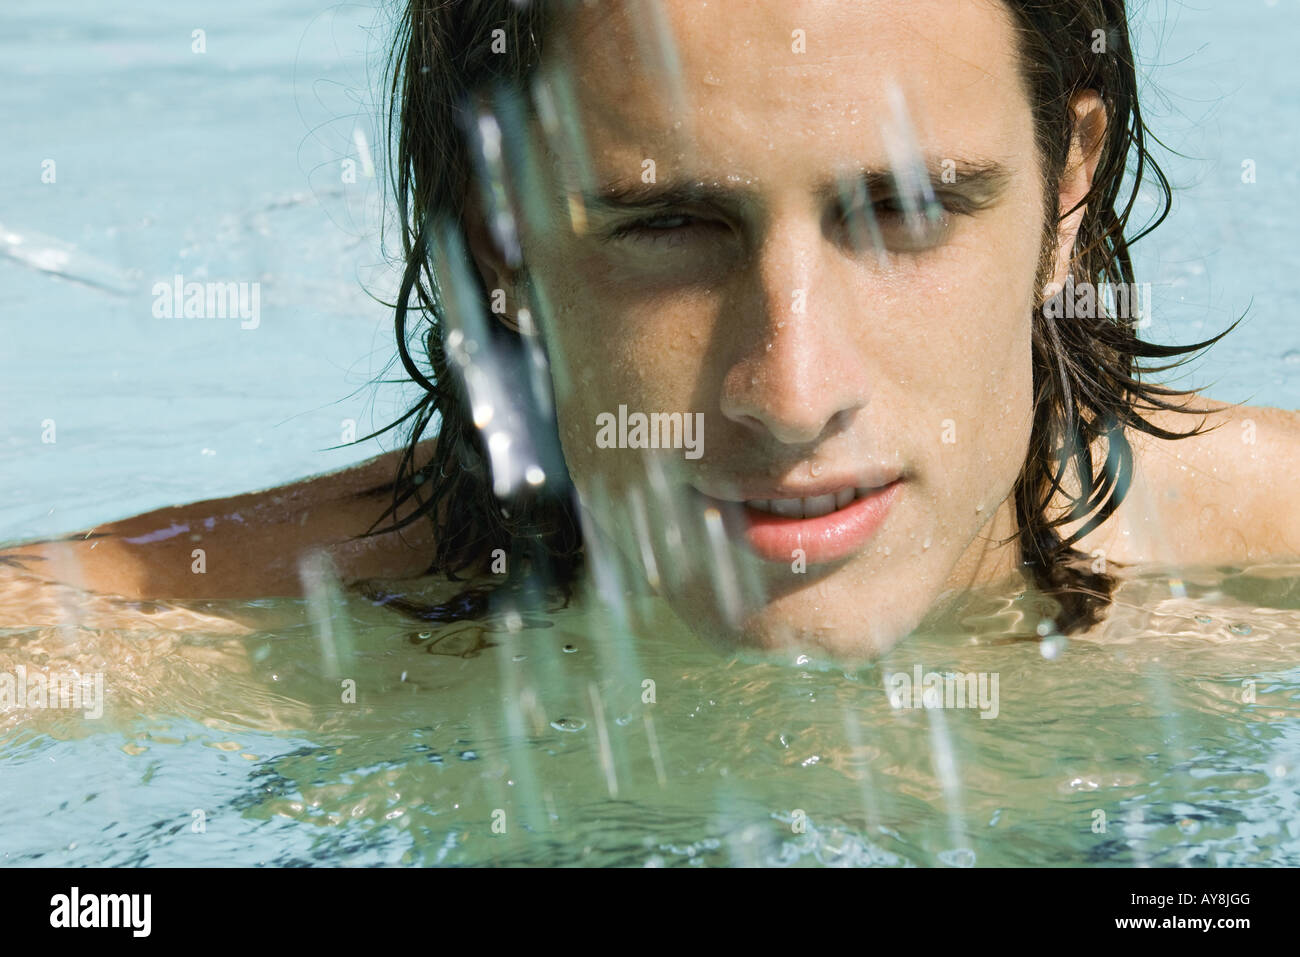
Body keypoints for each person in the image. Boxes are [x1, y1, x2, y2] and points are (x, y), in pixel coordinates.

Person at [3, 0, 1298, 660]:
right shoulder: (215, 633)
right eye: (671, 227)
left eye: (902, 212)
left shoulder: (1263, 573)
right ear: (498, 225)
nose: (792, 393)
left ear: (1069, 185)